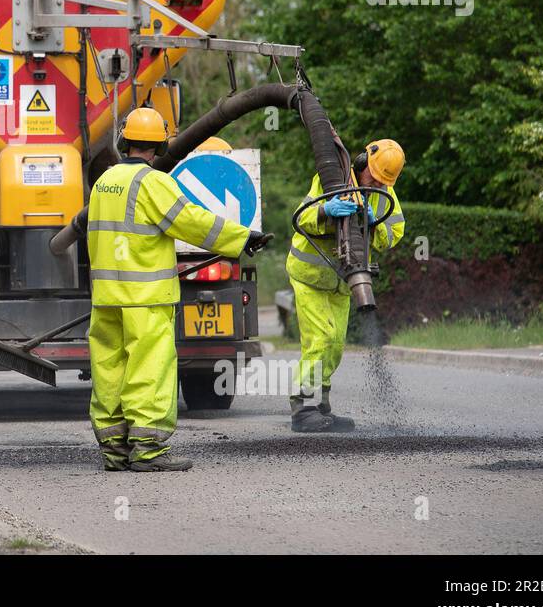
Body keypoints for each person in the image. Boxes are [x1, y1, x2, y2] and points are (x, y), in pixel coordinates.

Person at [82, 108, 272, 471]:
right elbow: (190, 221)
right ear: (160, 145)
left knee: (109, 369)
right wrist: (241, 237)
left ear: (124, 141)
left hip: (107, 297)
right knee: (148, 369)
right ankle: (148, 451)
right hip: (145, 298)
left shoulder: (105, 182)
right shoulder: (152, 183)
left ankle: (114, 450)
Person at [287, 139, 406, 432]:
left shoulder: (384, 194)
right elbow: (301, 217)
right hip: (310, 275)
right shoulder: (331, 180)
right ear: (362, 163)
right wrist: (325, 210)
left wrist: (374, 221)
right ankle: (303, 408)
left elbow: (394, 235)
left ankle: (320, 406)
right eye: (373, 178)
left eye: (382, 183)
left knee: (336, 345)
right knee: (321, 339)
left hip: (342, 280)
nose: (377, 185)